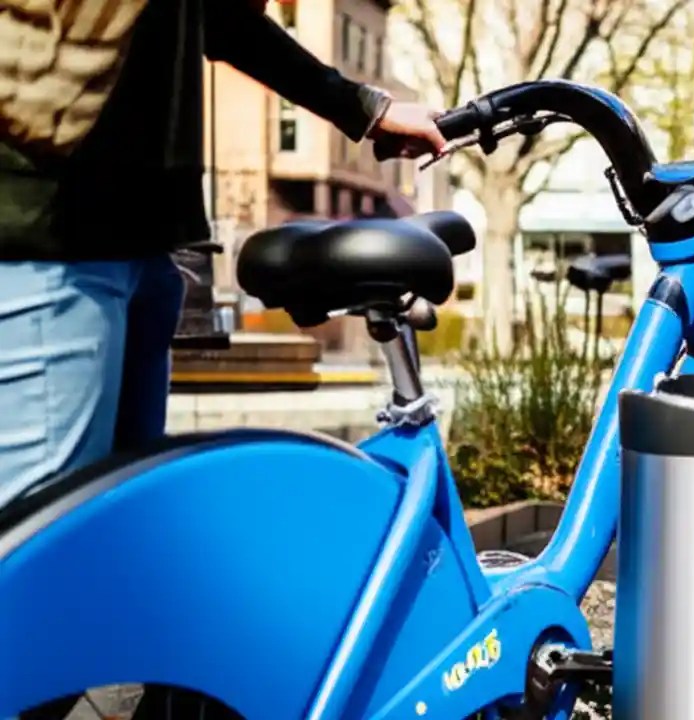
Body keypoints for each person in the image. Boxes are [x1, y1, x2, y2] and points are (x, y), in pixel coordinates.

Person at [1, 2, 443, 712]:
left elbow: (220, 14)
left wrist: (362, 108)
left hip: (142, 239)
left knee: (105, 573)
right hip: (43, 224)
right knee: (32, 602)